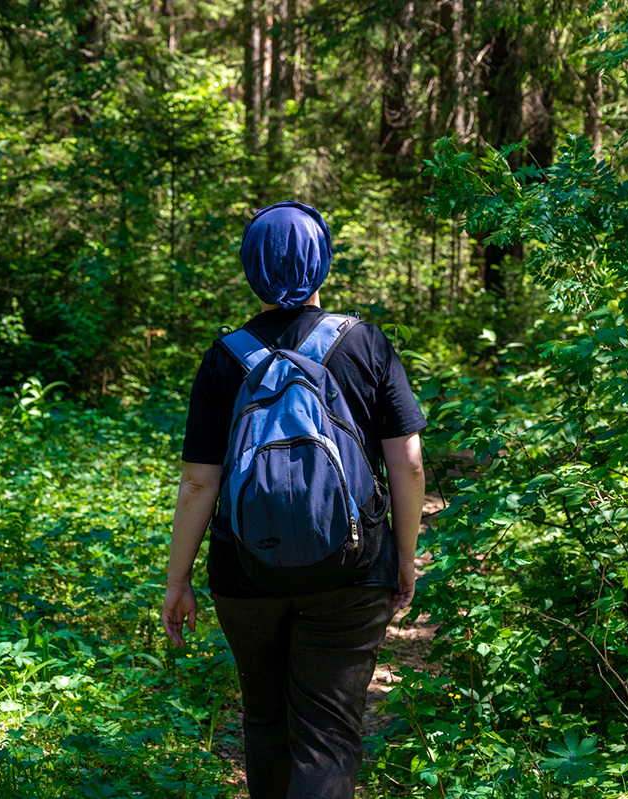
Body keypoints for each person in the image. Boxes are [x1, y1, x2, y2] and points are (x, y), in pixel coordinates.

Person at [162, 200, 427, 799]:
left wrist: (178, 580)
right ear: (323, 263)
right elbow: (407, 464)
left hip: (245, 571)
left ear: (250, 268)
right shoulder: (364, 343)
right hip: (353, 571)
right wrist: (404, 559)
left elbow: (200, 482)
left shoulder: (225, 357)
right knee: (327, 734)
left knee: (264, 720)